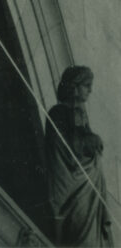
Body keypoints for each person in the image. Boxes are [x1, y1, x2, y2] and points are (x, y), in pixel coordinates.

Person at [45, 66, 113, 246]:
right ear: (74, 87)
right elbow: (70, 148)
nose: (90, 90)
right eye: (86, 85)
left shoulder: (79, 113)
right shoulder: (60, 113)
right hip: (74, 186)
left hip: (88, 186)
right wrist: (92, 140)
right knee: (81, 231)